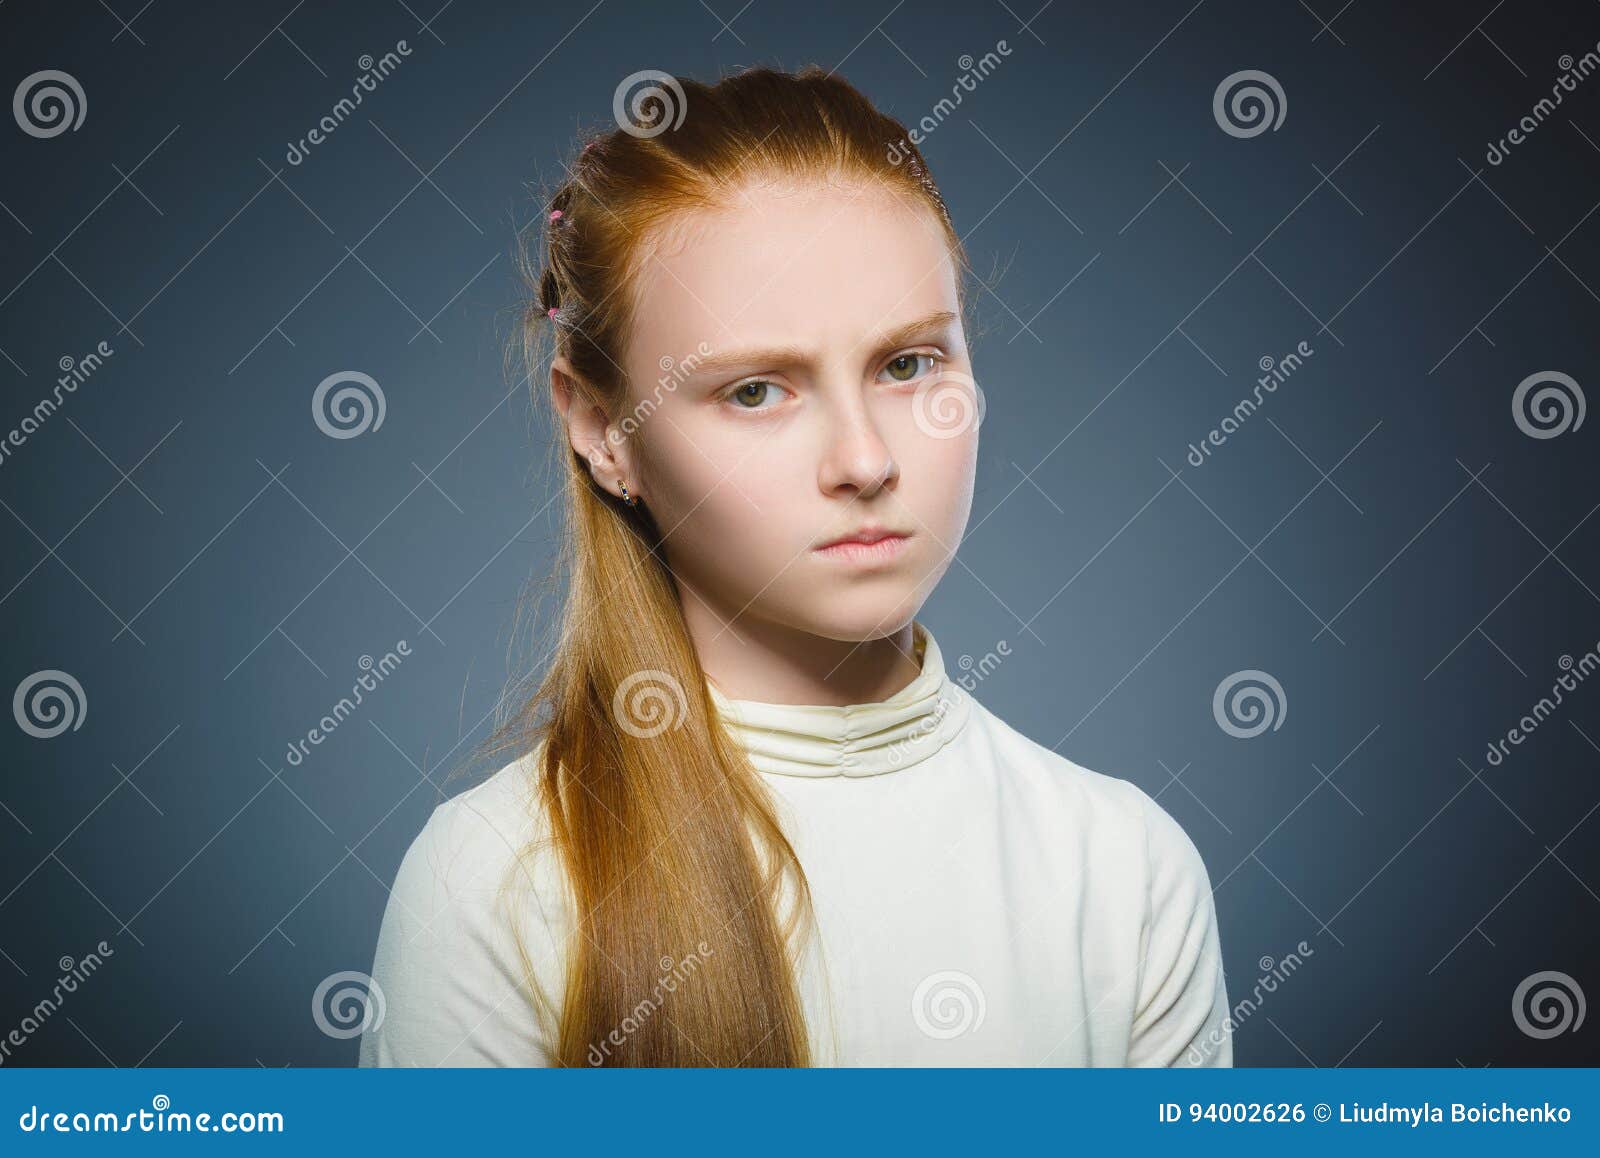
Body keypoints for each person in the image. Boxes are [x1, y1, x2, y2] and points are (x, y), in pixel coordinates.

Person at [358, 64, 1230, 1067]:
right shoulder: (494, 885)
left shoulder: (1123, 870)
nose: (864, 461)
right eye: (757, 390)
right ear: (605, 430)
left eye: (908, 365)